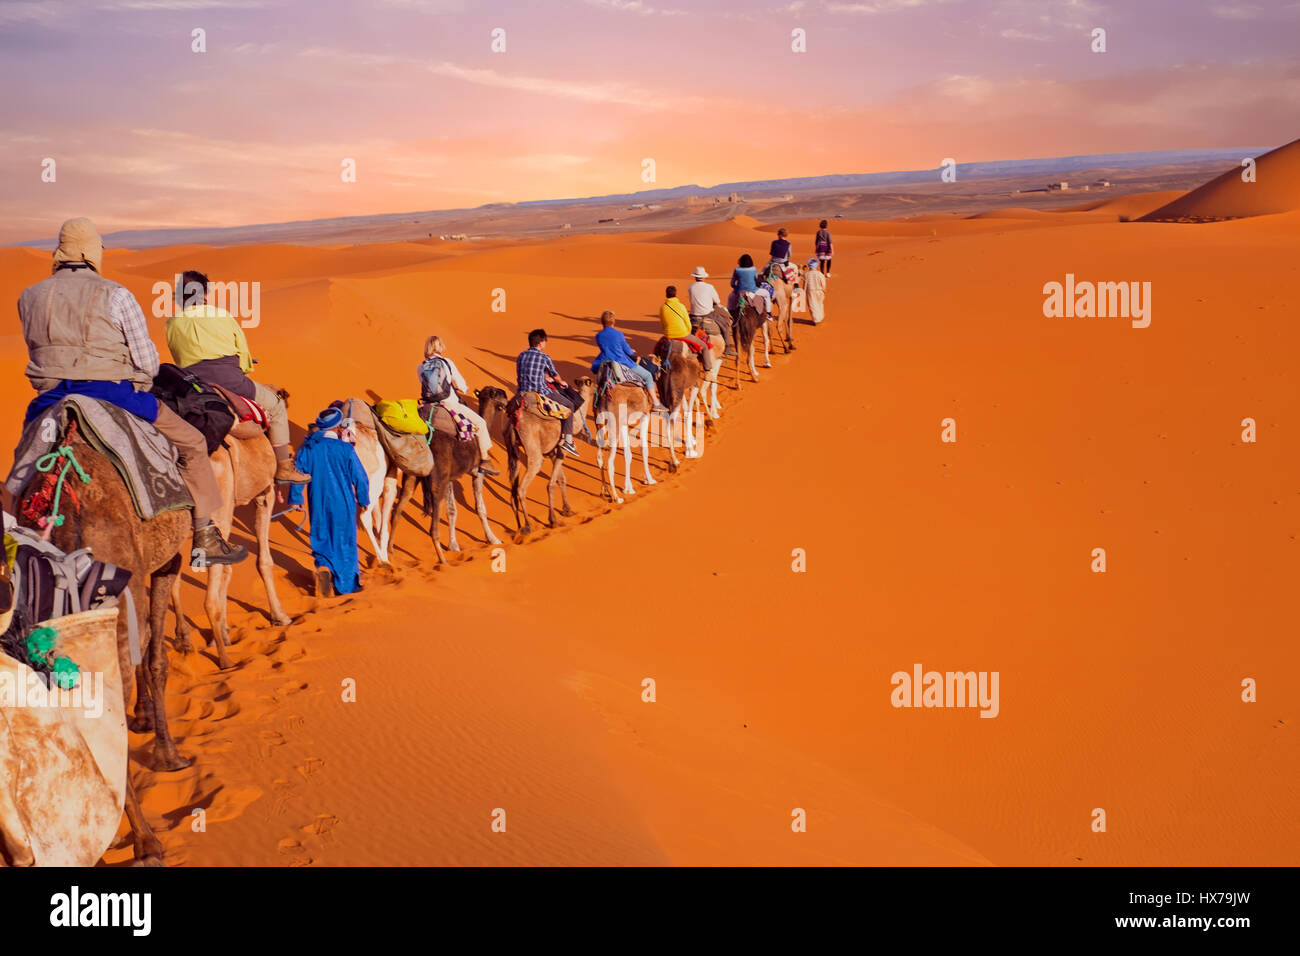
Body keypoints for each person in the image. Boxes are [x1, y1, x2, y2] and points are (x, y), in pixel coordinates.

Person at [17, 218, 247, 565]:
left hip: (50, 403)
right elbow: (148, 362)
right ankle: (205, 537)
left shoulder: (29, 297)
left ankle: (12, 546)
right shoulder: (117, 295)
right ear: (94, 252)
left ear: (60, 251)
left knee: (18, 478)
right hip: (115, 396)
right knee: (194, 444)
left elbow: (38, 352)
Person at [165, 269, 310, 483]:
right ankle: (283, 466)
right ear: (204, 293)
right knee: (278, 407)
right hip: (231, 381)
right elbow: (243, 357)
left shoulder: (172, 323)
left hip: (195, 386)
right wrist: (242, 368)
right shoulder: (222, 316)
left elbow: (179, 358)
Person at [293, 406, 370, 597]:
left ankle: (324, 567)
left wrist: (296, 498)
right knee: (344, 541)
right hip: (343, 501)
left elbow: (297, 474)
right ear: (337, 427)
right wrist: (364, 498)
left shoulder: (308, 448)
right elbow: (360, 477)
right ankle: (347, 585)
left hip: (317, 501)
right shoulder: (345, 449)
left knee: (321, 537)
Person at [417, 335, 499, 475]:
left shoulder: (421, 366)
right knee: (480, 423)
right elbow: (460, 383)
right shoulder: (447, 362)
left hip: (428, 405)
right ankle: (485, 460)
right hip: (449, 403)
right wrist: (464, 388)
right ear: (439, 347)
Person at [516, 329, 583, 457]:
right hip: (540, 392)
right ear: (541, 343)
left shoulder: (521, 355)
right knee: (569, 405)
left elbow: (523, 374)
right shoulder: (544, 357)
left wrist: (544, 377)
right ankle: (568, 441)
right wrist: (561, 382)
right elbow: (555, 375)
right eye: (545, 341)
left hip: (522, 393)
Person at [590, 311, 666, 410]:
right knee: (647, 376)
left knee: (600, 381)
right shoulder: (618, 334)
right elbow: (628, 351)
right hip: (622, 362)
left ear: (602, 322)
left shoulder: (598, 336)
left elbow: (607, 348)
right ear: (613, 322)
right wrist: (631, 351)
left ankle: (596, 404)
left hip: (605, 362)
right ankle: (656, 402)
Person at [659, 286, 714, 372]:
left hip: (668, 335)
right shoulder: (681, 306)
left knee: (656, 350)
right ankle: (708, 369)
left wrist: (667, 333)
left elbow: (662, 324)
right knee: (704, 346)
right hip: (683, 334)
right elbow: (688, 323)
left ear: (666, 295)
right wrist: (688, 333)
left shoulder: (662, 307)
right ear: (676, 294)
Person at [686, 266, 735, 357]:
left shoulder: (690, 287)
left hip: (693, 315)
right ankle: (728, 348)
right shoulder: (709, 287)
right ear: (704, 277)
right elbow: (717, 301)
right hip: (707, 314)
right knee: (724, 325)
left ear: (695, 277)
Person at [803, 257, 827, 325]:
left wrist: (804, 292)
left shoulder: (806, 274)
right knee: (819, 304)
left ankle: (816, 320)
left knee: (813, 306)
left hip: (811, 292)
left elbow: (805, 285)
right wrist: (824, 290)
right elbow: (823, 284)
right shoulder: (820, 274)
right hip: (820, 291)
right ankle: (820, 317)